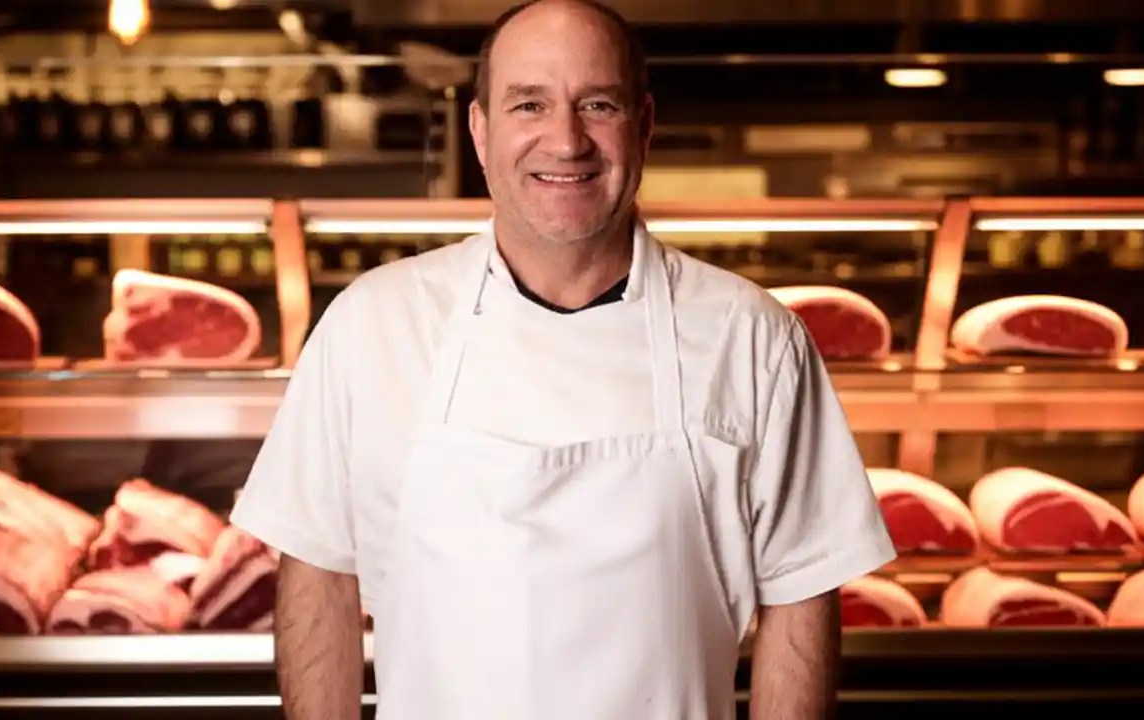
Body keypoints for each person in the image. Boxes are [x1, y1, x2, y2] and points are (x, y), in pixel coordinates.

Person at [230, 0, 896, 718]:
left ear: (643, 127)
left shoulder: (754, 339)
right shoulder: (373, 324)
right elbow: (319, 580)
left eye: (597, 105)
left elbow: (799, 596)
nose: (565, 140)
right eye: (529, 105)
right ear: (480, 133)